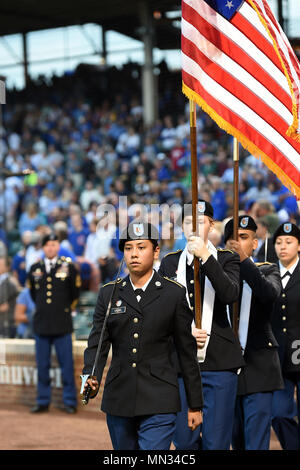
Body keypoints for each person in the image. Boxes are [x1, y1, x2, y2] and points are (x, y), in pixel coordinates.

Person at [82, 221, 203, 450]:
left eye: (141, 247)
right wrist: (90, 375)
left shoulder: (173, 293)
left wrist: (195, 404)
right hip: (119, 398)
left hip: (160, 398)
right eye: (128, 248)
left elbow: (187, 353)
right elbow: (98, 342)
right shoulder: (109, 293)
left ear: (156, 250)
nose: (134, 254)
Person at [158, 200, 244, 450]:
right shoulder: (170, 263)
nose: (192, 227)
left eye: (199, 222)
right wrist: (184, 331)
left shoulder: (227, 259)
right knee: (184, 442)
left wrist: (206, 256)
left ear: (211, 225)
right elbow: (162, 312)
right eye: (187, 222)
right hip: (182, 364)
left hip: (219, 363)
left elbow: (229, 295)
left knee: (217, 443)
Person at [224, 215, 283, 450]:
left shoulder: (268, 269)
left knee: (256, 440)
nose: (236, 242)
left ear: (255, 243)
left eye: (244, 237)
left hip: (259, 366)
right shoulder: (219, 275)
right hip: (226, 367)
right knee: (234, 438)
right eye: (232, 239)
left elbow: (269, 294)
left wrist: (244, 262)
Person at [28, 233, 81, 414]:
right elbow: (34, 295)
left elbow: (75, 293)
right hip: (42, 323)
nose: (51, 247)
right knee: (42, 365)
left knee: (67, 365)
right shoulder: (35, 268)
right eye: (47, 245)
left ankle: (69, 402)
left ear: (58, 246)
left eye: (53, 244)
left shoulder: (68, 267)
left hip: (62, 323)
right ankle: (43, 401)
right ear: (43, 248)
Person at [271, 223, 300, 450]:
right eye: (279, 242)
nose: (283, 247)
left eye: (288, 242)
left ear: (298, 245)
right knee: (279, 413)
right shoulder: (268, 272)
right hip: (278, 355)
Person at [0, 257, 20, 338]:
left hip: (6, 322)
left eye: (0, 265)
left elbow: (4, 306)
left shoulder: (11, 282)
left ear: (7, 267)